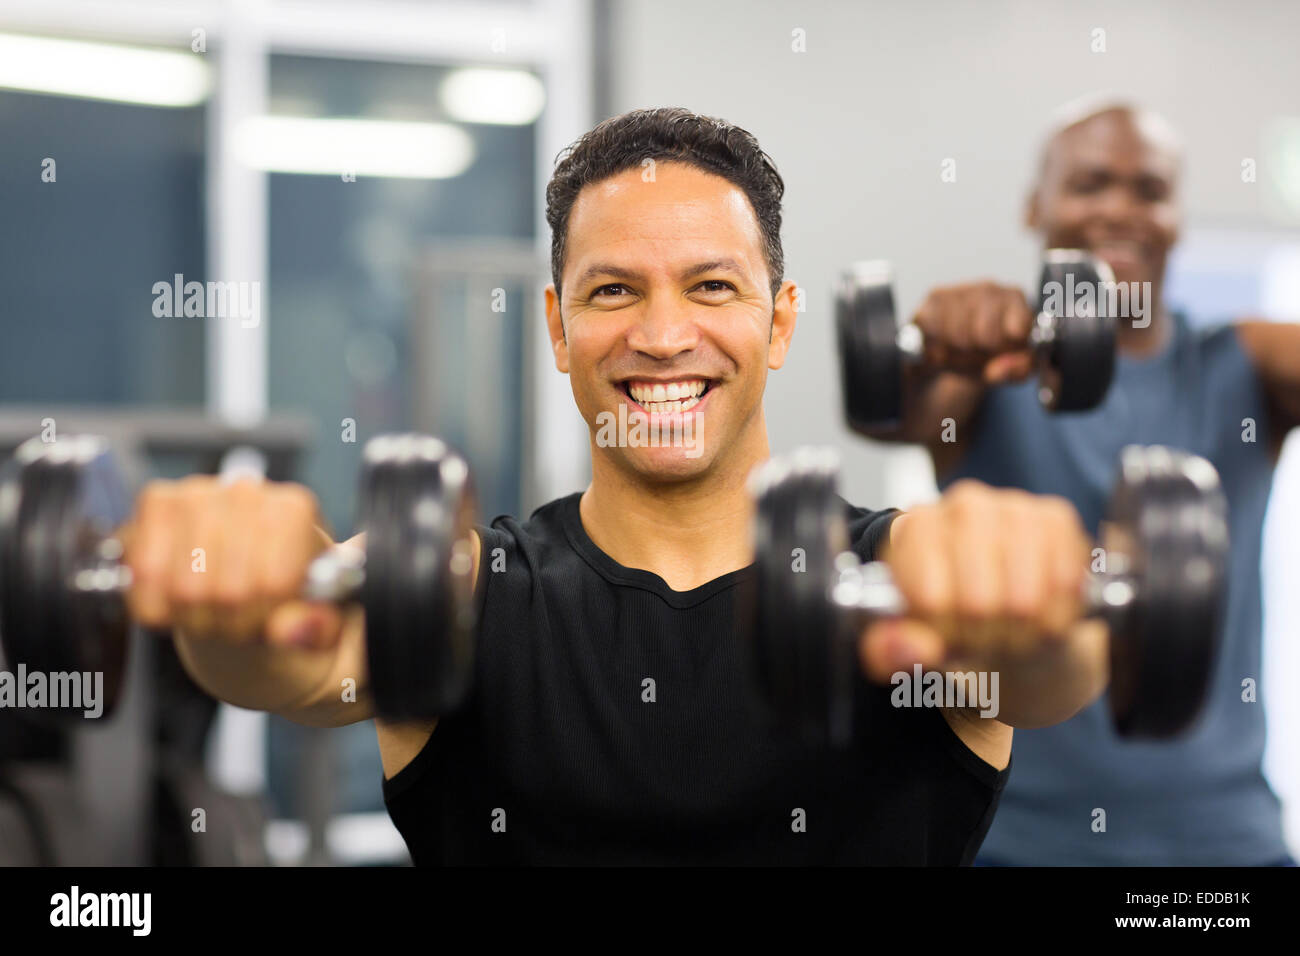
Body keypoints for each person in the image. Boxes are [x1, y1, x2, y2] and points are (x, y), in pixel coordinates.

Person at [128, 107, 1124, 864]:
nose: (660, 334)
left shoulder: (901, 580)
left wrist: (1030, 598)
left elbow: (1047, 673)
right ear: (558, 330)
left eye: (710, 285)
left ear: (777, 324)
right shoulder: (466, 595)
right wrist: (235, 600)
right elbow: (293, 660)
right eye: (614, 290)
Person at [865, 97, 1300, 865]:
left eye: (1149, 191)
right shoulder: (989, 369)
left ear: (1178, 219)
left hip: (1226, 845)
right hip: (1017, 840)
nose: (1121, 211)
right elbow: (890, 413)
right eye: (1092, 184)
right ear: (1037, 206)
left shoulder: (1245, 365)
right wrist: (934, 345)